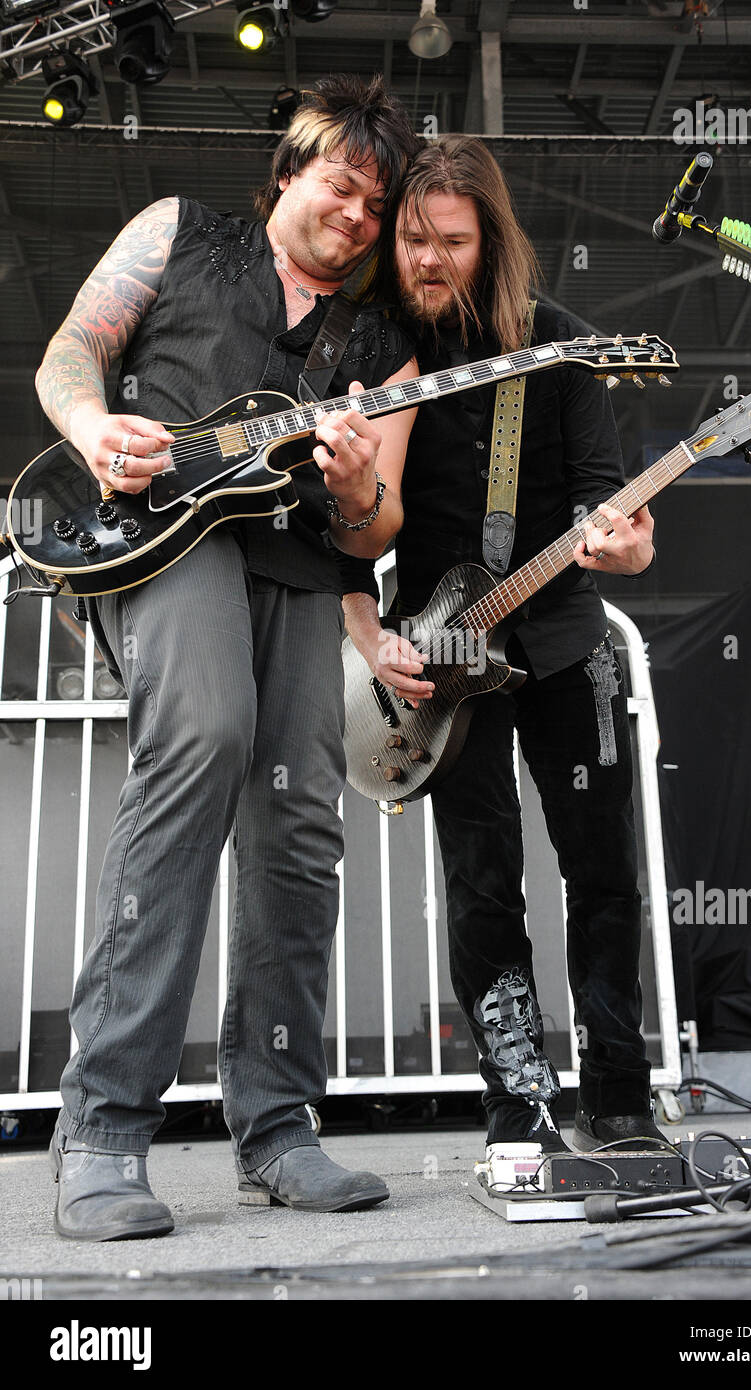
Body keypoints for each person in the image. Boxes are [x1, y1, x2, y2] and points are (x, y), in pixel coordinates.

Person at [34, 75, 421, 1240]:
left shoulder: (384, 349)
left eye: (375, 207)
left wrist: (357, 487)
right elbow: (70, 355)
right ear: (294, 168)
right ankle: (101, 1129)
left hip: (299, 566)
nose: (357, 218)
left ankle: (280, 1125)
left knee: (303, 821)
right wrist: (95, 429)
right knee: (202, 738)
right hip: (156, 540)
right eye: (342, 189)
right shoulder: (176, 231)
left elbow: (378, 526)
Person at [343, 135, 666, 1156]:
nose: (428, 261)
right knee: (481, 884)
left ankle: (619, 1099)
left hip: (567, 640)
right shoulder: (379, 352)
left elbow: (607, 508)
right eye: (410, 239)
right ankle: (514, 1105)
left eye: (452, 242)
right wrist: (368, 624)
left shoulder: (560, 345)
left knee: (602, 872)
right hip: (442, 659)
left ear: (493, 243)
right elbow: (343, 518)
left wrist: (623, 548)